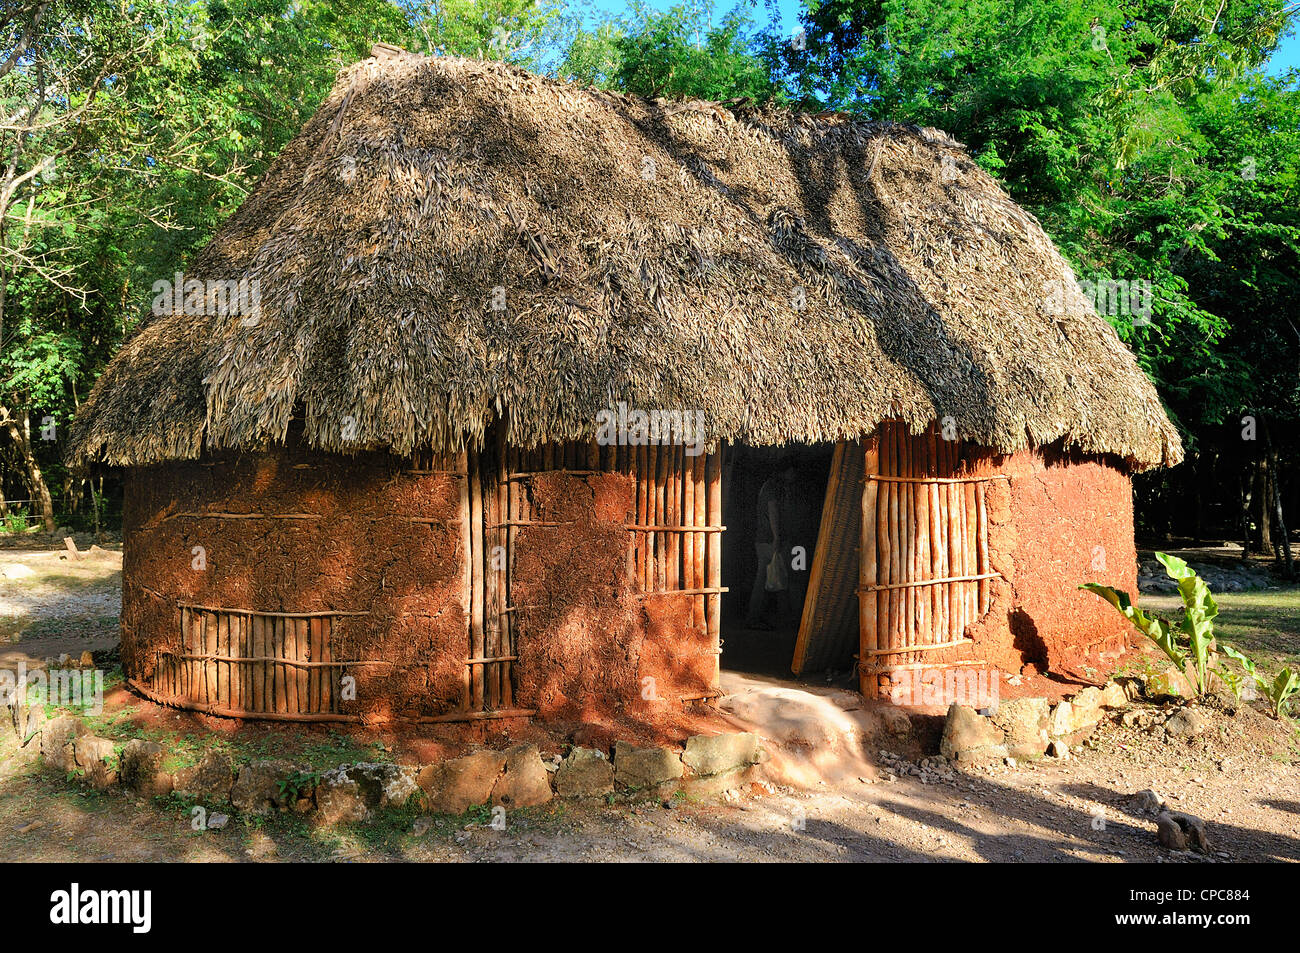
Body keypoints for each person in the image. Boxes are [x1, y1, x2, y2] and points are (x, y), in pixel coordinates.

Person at [746, 455, 800, 629]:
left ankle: (766, 618)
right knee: (780, 578)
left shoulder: (770, 486)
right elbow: (773, 511)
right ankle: (782, 619)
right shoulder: (773, 487)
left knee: (772, 578)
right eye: (793, 471)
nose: (795, 475)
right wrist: (777, 538)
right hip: (769, 541)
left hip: (765, 540)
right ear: (786, 471)